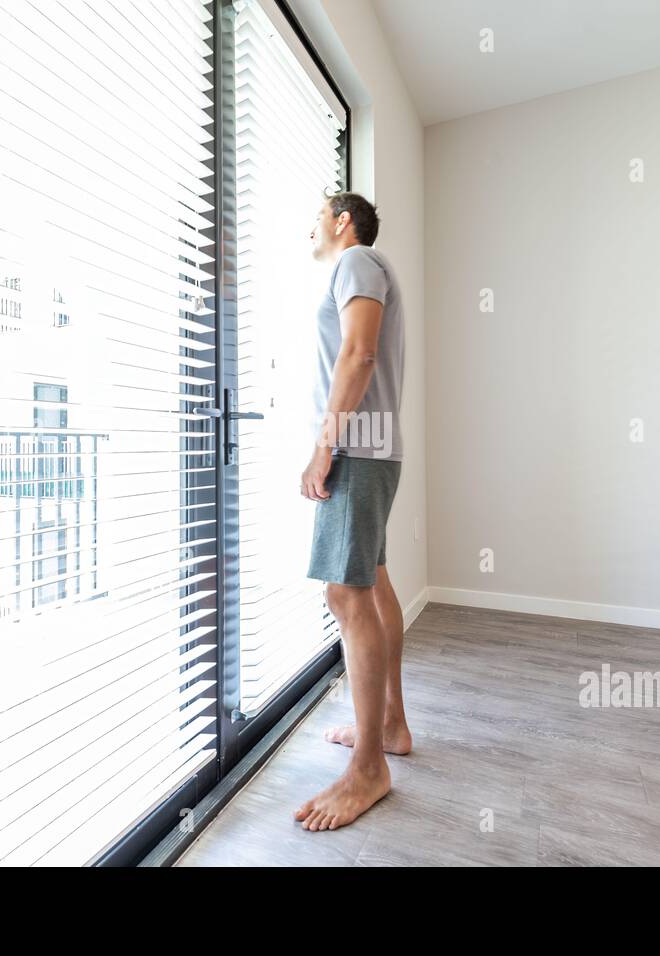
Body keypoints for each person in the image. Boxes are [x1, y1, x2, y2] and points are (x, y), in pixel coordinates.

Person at [295, 191, 409, 831]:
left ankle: (368, 769)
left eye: (317, 217)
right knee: (374, 581)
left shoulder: (356, 259)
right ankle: (389, 726)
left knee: (346, 593)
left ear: (343, 222)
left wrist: (323, 446)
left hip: (357, 451)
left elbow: (359, 353)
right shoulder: (365, 266)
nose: (309, 229)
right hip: (374, 450)